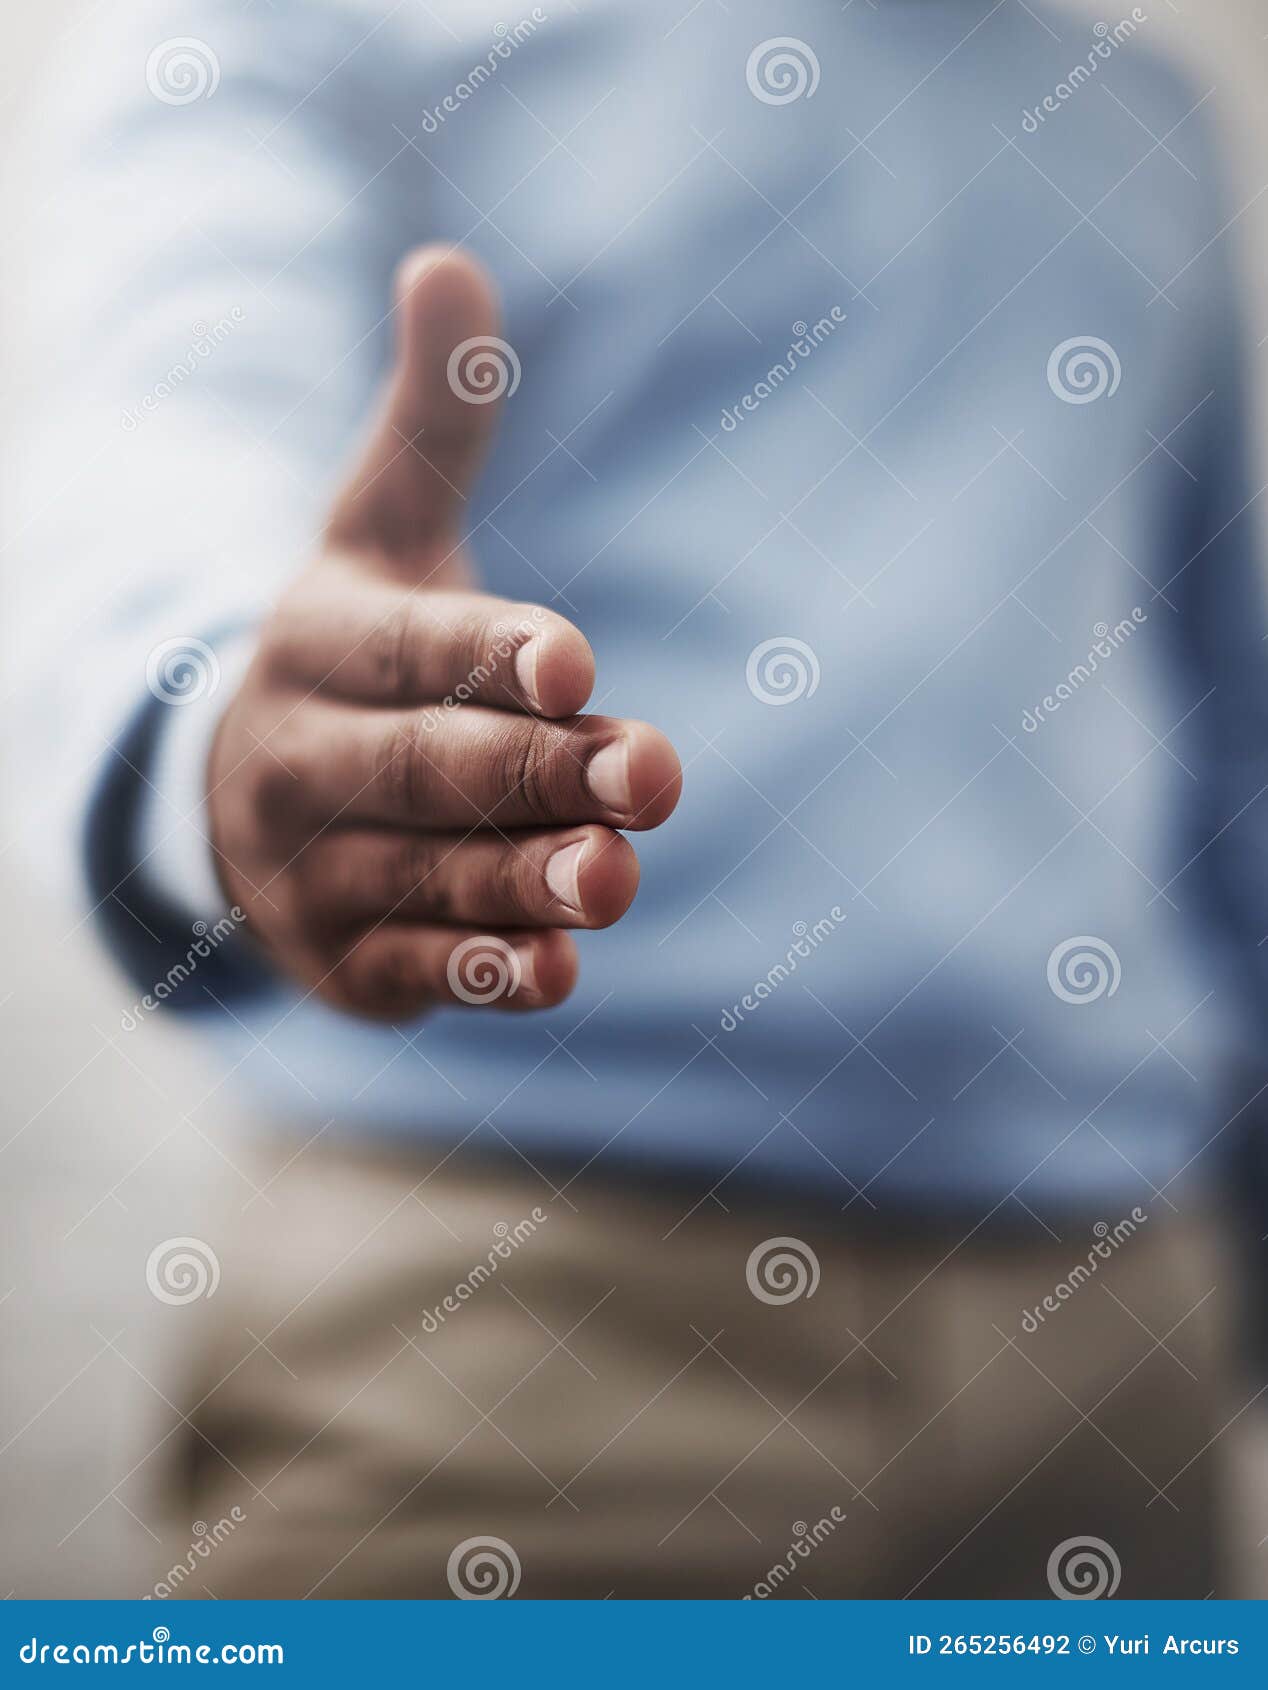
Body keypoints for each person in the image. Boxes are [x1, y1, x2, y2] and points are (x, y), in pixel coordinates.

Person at [10, 0, 1268, 1596]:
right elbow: (158, 462)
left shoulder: (1138, 118)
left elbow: (1230, 744)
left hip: (1112, 1342)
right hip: (510, 1338)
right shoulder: (301, 25)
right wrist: (238, 738)